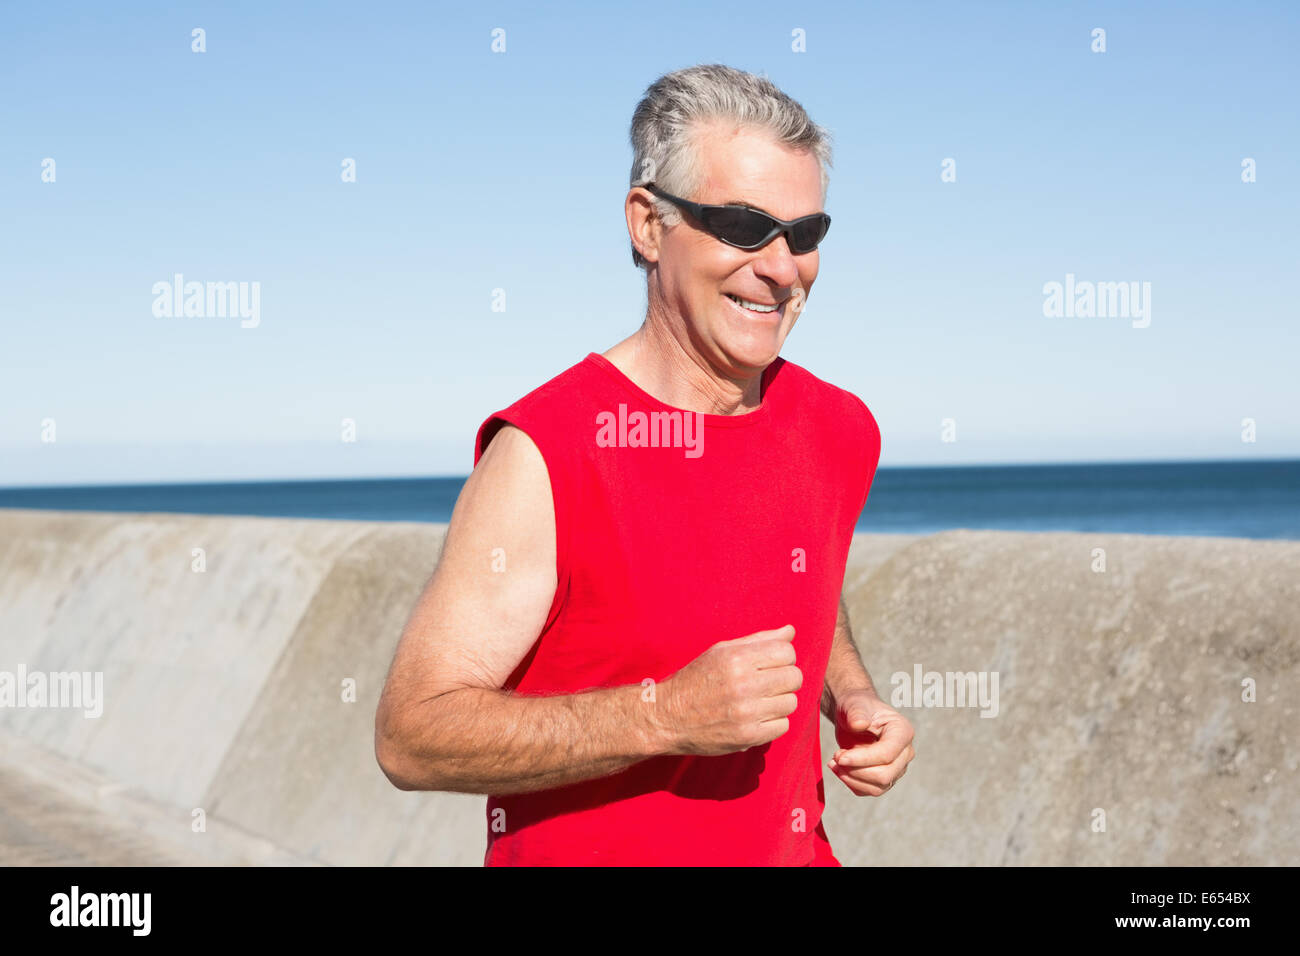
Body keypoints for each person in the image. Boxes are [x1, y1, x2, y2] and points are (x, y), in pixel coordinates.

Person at [374, 63, 914, 866]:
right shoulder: (547, 451)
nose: (781, 266)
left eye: (805, 235)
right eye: (741, 226)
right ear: (649, 225)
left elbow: (807, 584)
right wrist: (665, 716)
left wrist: (853, 697)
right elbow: (411, 736)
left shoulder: (840, 430)